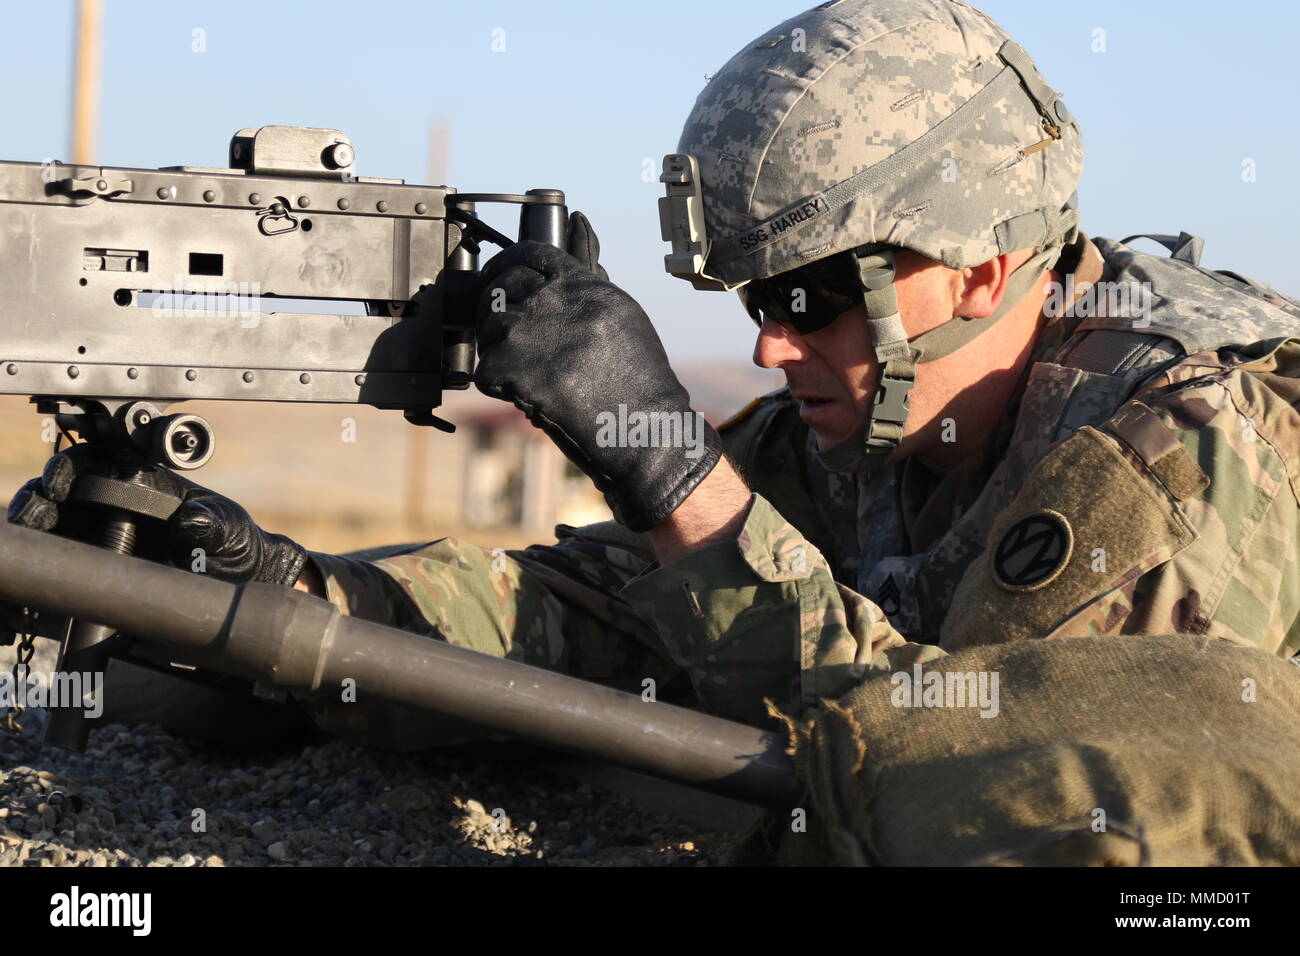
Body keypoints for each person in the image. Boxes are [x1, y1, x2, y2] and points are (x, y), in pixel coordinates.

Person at [10, 0, 1300, 746]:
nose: (770, 346)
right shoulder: (857, 431)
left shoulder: (1175, 456)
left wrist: (676, 476)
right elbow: (598, 619)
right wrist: (269, 595)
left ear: (975, 266)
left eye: (810, 298)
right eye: (754, 303)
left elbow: (960, 773)